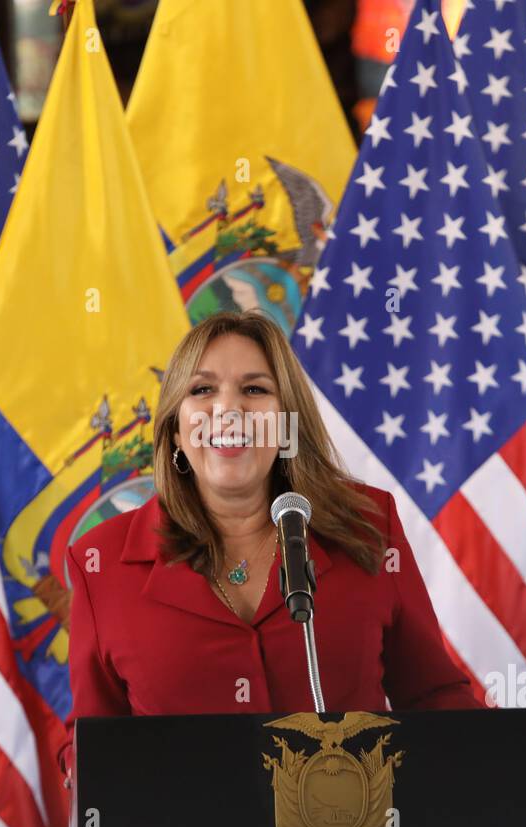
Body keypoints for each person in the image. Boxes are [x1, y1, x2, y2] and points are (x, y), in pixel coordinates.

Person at [60, 311, 479, 777]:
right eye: (202, 390)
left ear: (286, 423)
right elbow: (90, 741)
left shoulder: (368, 526)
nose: (229, 410)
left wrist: (503, 766)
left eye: (255, 389)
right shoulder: (100, 564)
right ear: (175, 430)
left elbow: (433, 696)